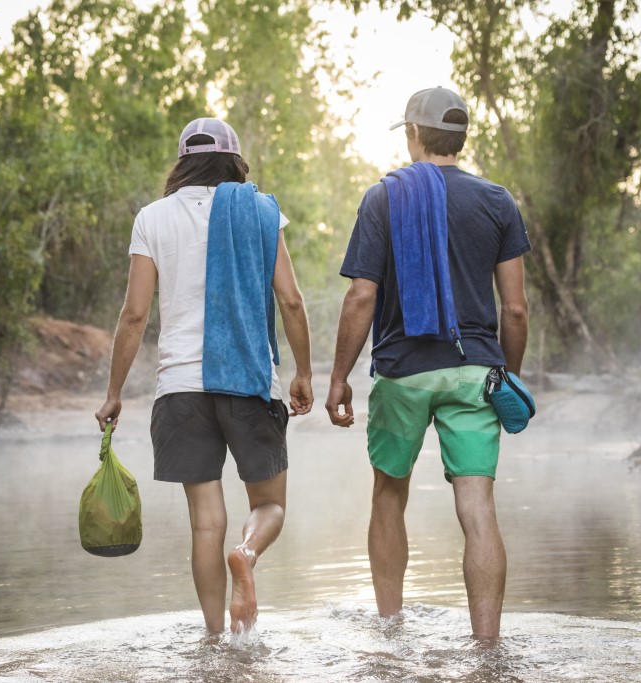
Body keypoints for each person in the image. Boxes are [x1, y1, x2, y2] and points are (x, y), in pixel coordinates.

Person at [324, 87, 530, 639]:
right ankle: (487, 647)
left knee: (390, 492)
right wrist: (506, 373)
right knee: (478, 505)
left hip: (403, 370)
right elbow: (514, 307)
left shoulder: (385, 197)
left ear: (413, 134)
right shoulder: (497, 201)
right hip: (476, 371)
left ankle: (390, 630)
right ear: (461, 138)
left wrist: (339, 376)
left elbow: (361, 296)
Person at [95, 117, 314, 634]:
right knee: (270, 504)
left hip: (179, 390)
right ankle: (247, 553)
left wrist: (113, 394)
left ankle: (216, 639)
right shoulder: (261, 210)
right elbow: (290, 300)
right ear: (234, 162)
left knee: (205, 522)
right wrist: (304, 371)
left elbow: (133, 315)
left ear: (182, 162)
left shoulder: (153, 217)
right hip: (248, 381)